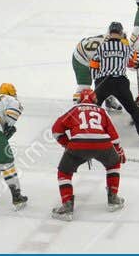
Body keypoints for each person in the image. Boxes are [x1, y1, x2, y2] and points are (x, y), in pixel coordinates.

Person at [50, 87, 125, 220]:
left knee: (64, 172)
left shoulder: (74, 110)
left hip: (78, 144)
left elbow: (56, 130)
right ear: (95, 100)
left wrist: (67, 144)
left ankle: (67, 206)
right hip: (103, 144)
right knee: (113, 164)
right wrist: (119, 151)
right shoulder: (102, 111)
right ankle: (113, 198)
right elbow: (114, 135)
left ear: (79, 100)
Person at [89, 21, 139, 139]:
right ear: (121, 33)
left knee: (92, 108)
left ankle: (90, 133)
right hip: (120, 83)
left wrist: (96, 80)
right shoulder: (125, 47)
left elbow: (94, 64)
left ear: (109, 32)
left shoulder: (102, 47)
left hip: (103, 82)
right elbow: (136, 57)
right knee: (134, 110)